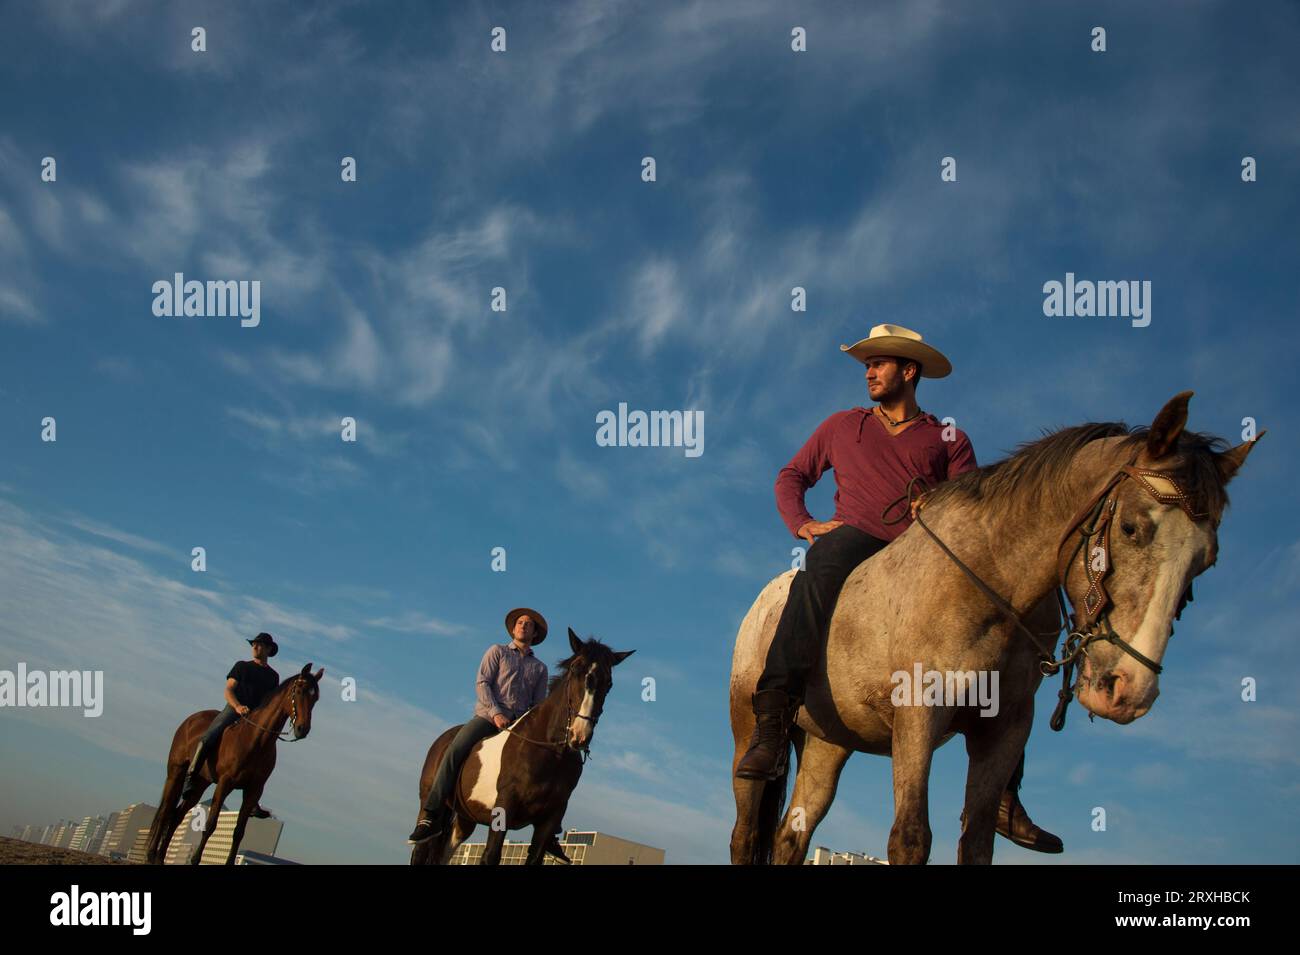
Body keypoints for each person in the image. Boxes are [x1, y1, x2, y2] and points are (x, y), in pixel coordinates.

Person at [734, 323, 1062, 853]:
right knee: (815, 576)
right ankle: (772, 724)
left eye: (879, 363)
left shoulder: (948, 437)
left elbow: (971, 508)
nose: (868, 371)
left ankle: (1005, 794)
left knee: (1008, 630)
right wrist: (804, 523)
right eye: (866, 363)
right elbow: (791, 475)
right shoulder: (843, 425)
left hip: (924, 554)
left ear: (908, 371)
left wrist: (936, 505)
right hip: (857, 538)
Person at [407, 607, 551, 844]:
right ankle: (430, 816)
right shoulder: (497, 651)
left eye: (529, 624)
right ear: (514, 628)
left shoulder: (540, 669)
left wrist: (523, 724)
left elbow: (537, 705)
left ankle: (548, 829)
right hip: (488, 718)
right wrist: (496, 714)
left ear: (535, 633)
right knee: (454, 751)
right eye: (520, 622)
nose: (524, 625)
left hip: (517, 728)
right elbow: (482, 683)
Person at [182, 632, 279, 818]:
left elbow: (270, 703)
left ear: (268, 649)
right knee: (208, 737)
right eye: (254, 644)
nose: (255, 647)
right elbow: (228, 689)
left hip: (254, 719)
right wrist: (237, 706)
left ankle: (253, 801)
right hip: (234, 709)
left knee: (264, 753)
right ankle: (191, 776)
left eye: (259, 645)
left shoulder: (273, 676)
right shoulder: (242, 667)